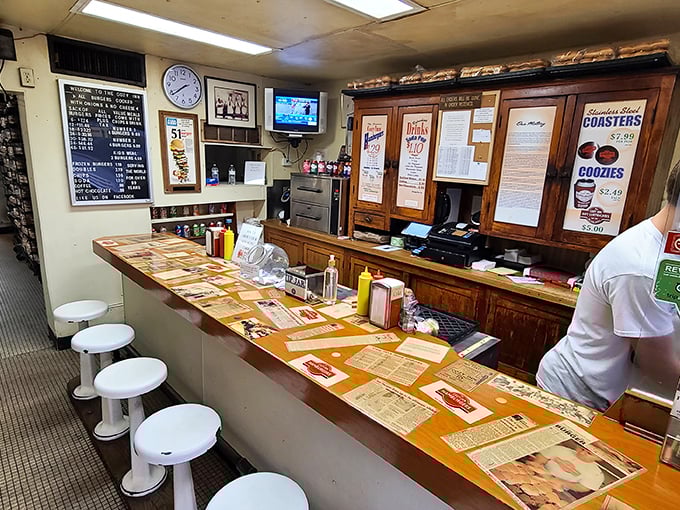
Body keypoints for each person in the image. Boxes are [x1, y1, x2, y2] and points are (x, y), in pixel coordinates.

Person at [537, 161, 680, 411]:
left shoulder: (668, 251)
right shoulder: (642, 268)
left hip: (608, 389)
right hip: (574, 393)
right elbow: (659, 366)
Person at [528, 445, 605, 493]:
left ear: (599, 458)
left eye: (588, 453)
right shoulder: (560, 450)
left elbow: (584, 487)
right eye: (582, 449)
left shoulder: (596, 473)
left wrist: (559, 481)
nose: (581, 453)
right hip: (536, 474)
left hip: (557, 488)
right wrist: (538, 467)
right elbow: (540, 459)